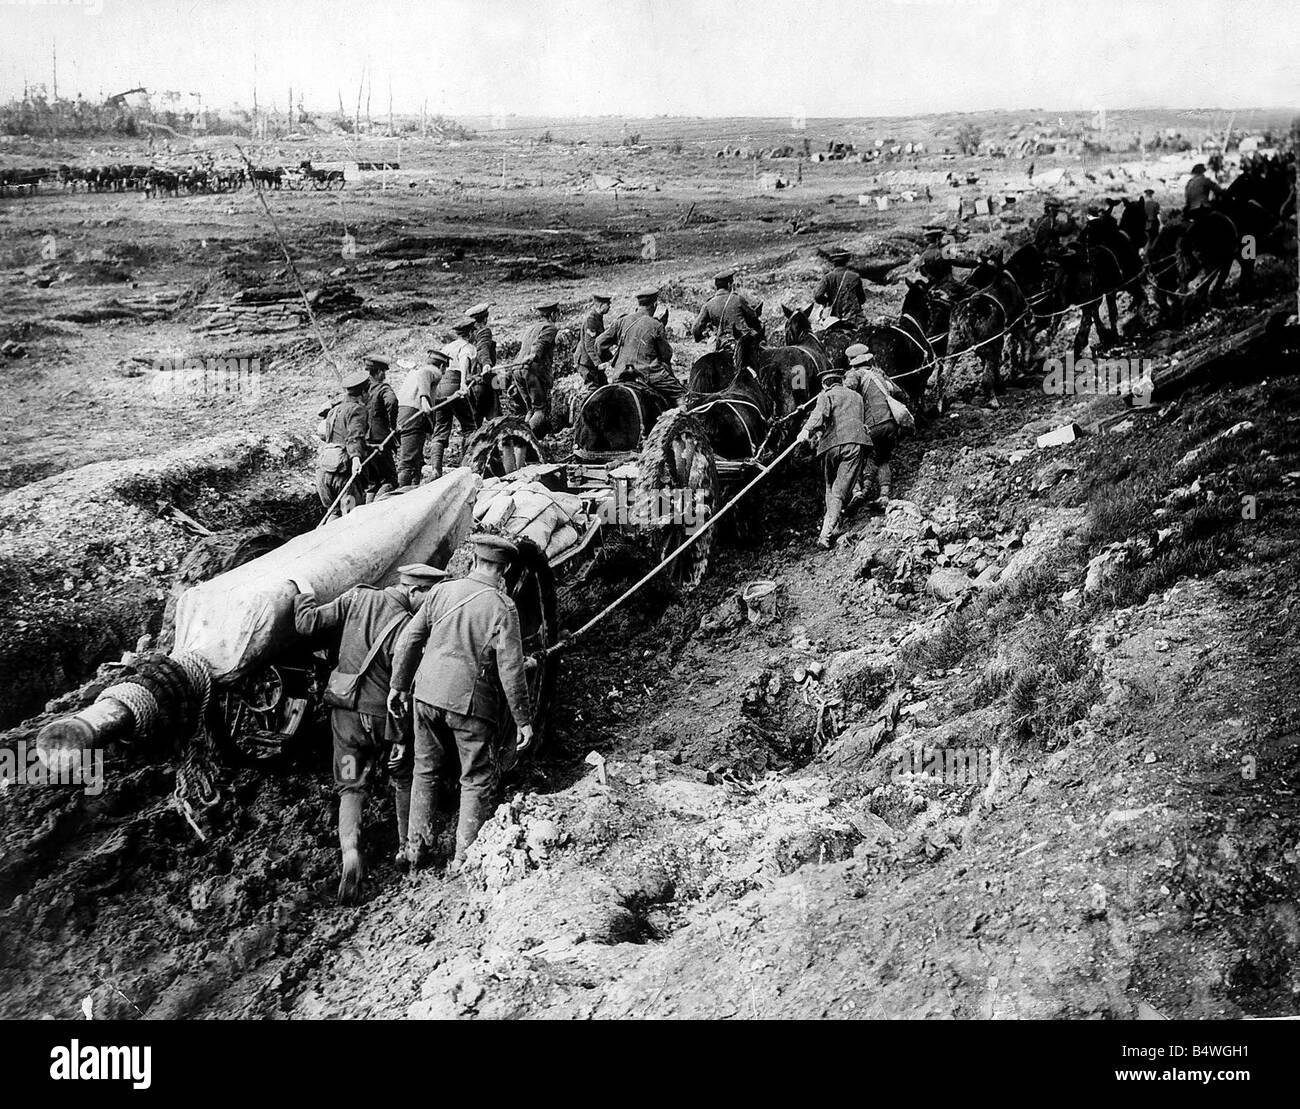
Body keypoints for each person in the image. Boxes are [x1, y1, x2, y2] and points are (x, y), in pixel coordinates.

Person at [291, 562, 449, 903]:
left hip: (347, 722)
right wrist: (401, 739)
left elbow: (307, 624)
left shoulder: (355, 598)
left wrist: (303, 591)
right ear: (412, 591)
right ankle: (405, 846)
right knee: (403, 775)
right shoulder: (409, 628)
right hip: (383, 722)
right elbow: (406, 688)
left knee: (350, 785)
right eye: (428, 597)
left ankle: (350, 851)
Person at [388, 534, 534, 871]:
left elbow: (410, 639)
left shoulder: (441, 591)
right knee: (476, 777)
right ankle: (463, 859)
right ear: (505, 569)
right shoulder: (501, 607)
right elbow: (510, 668)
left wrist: (398, 685)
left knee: (424, 770)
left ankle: (415, 852)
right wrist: (522, 719)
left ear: (473, 561)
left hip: (425, 695)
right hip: (469, 703)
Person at [795, 365, 871, 549]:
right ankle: (832, 528)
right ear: (841, 380)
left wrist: (805, 430)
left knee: (832, 489)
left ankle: (826, 533)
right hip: (855, 444)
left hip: (830, 446)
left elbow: (819, 415)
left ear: (824, 385)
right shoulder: (857, 397)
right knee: (840, 490)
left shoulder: (826, 395)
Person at [844, 344, 909, 508]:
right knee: (883, 459)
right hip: (890, 425)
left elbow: (846, 392)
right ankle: (884, 496)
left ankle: (857, 492)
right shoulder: (880, 375)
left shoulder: (855, 375)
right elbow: (901, 394)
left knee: (854, 456)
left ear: (852, 361)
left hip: (873, 426)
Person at [596, 287, 682, 403]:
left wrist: (611, 359)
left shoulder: (621, 321)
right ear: (655, 304)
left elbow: (599, 343)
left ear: (639, 304)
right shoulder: (656, 325)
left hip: (620, 374)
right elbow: (666, 355)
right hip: (648, 375)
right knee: (681, 394)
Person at [316, 369, 370, 517]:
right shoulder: (357, 409)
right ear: (364, 392)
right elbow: (354, 436)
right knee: (351, 516)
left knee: (334, 513)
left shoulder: (334, 410)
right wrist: (356, 459)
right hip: (343, 475)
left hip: (323, 472)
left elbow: (334, 437)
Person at [691, 269, 765, 375]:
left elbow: (695, 329)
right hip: (743, 343)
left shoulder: (708, 305)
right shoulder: (738, 299)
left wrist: (699, 337)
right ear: (730, 284)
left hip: (722, 344)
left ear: (717, 287)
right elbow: (753, 318)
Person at [430, 319, 479, 480]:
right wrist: (463, 383)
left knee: (441, 429)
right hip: (455, 384)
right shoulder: (466, 347)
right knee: (469, 427)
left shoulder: (447, 347)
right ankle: (465, 467)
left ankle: (435, 470)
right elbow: (464, 360)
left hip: (439, 388)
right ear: (470, 333)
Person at [508, 301, 560, 435]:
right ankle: (526, 440)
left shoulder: (531, 328)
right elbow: (540, 345)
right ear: (553, 314)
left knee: (530, 409)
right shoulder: (551, 328)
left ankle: (522, 438)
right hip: (531, 370)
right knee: (540, 409)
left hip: (517, 369)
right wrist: (534, 355)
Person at [394, 351, 445, 487]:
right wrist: (424, 398)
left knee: (415, 458)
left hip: (402, 413)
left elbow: (432, 400)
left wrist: (450, 399)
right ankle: (397, 496)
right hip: (414, 415)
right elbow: (425, 376)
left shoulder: (412, 374)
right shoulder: (431, 371)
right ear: (441, 367)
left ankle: (412, 489)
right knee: (408, 460)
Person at [363, 354, 399, 501]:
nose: (384, 375)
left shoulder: (362, 390)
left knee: (372, 484)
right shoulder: (382, 388)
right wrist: (392, 425)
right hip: (380, 440)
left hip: (364, 442)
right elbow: (392, 401)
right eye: (383, 372)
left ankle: (366, 514)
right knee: (389, 480)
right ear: (378, 372)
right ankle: (379, 511)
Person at [466, 301, 499, 421]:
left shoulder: (468, 335)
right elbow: (483, 349)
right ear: (485, 318)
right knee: (496, 419)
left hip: (470, 382)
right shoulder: (484, 331)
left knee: (475, 421)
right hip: (485, 380)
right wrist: (486, 364)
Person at [813, 249, 866, 323]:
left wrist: (827, 302)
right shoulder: (855, 277)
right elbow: (862, 299)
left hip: (832, 318)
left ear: (833, 263)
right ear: (846, 262)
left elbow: (817, 296)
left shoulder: (828, 277)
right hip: (852, 317)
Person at [573, 292, 612, 387]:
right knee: (592, 389)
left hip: (591, 361)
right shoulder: (591, 320)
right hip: (586, 362)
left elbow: (599, 342)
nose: (609, 306)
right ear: (601, 305)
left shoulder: (598, 318)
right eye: (608, 304)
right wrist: (598, 364)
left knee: (604, 386)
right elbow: (590, 345)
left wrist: (611, 358)